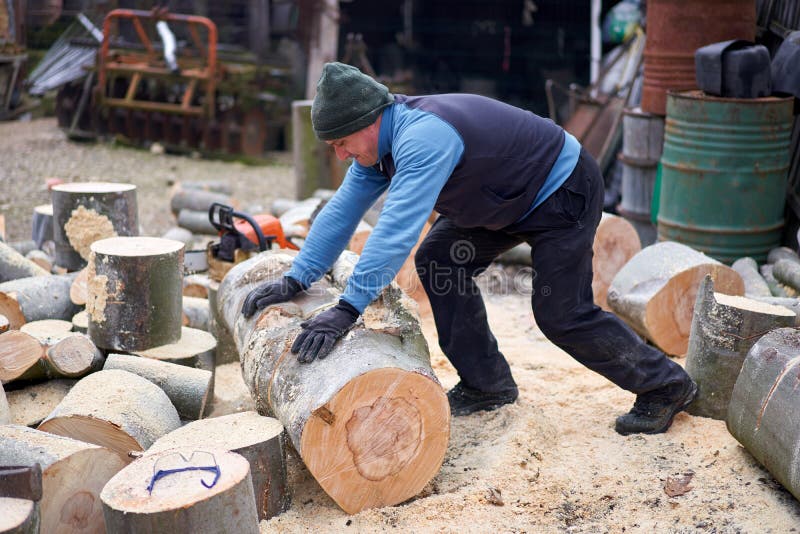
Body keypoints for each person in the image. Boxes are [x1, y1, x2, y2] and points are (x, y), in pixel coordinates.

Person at [241, 62, 697, 435]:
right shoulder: (376, 149)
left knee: (561, 313)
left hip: (561, 191)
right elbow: (342, 211)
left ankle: (664, 386)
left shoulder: (422, 139)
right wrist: (297, 277)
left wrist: (346, 308)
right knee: (439, 259)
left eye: (341, 143)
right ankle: (487, 385)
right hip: (503, 200)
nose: (340, 154)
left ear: (370, 121)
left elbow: (396, 229)